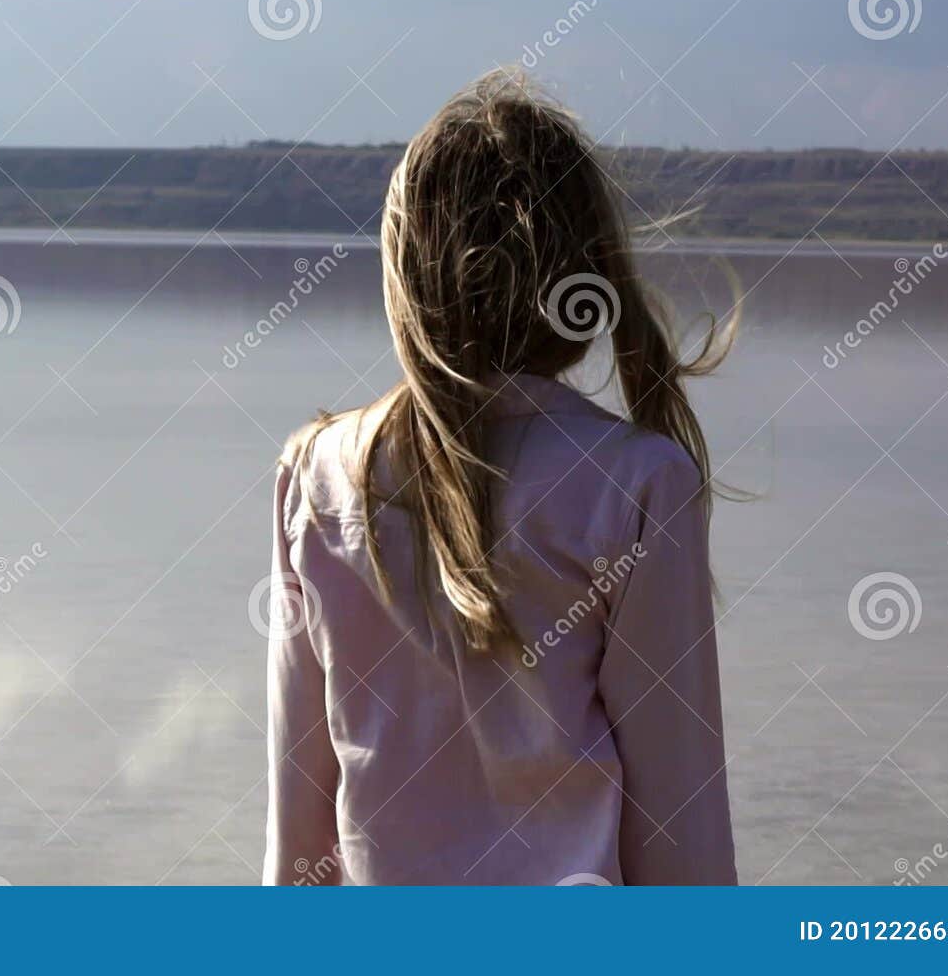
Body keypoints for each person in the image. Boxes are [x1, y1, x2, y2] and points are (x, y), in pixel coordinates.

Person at [263, 68, 737, 885]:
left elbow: (298, 811)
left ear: (407, 270)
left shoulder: (317, 470)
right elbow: (680, 816)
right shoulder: (636, 481)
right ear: (587, 272)